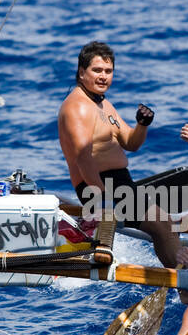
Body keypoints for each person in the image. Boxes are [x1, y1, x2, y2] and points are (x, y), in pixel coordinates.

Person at [58, 41, 180, 267]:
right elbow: (83, 157)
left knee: (166, 223)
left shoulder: (102, 104)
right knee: (161, 223)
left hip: (118, 183)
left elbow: (130, 143)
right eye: (97, 70)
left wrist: (142, 124)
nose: (103, 76)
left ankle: (181, 271)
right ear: (82, 72)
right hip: (101, 186)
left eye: (108, 71)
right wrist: (100, 201)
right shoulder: (79, 107)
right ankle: (185, 279)